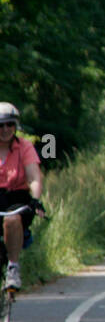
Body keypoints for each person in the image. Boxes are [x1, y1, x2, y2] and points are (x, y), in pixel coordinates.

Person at [0, 103, 46, 290]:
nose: (5, 129)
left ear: (15, 126)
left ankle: (13, 267)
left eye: (9, 124)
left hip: (17, 198)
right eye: (0, 125)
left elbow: (34, 176)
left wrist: (36, 199)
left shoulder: (25, 147)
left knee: (12, 220)